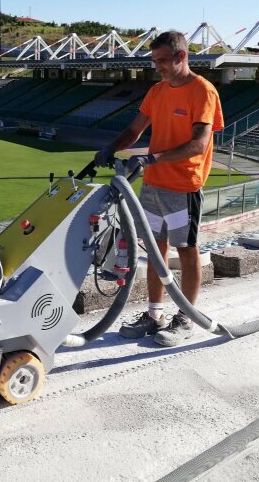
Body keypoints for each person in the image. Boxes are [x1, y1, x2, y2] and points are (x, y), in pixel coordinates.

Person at [94, 30, 224, 347]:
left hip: (183, 186)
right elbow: (134, 130)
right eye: (154, 61)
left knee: (186, 251)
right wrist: (110, 148)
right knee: (155, 250)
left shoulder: (203, 91)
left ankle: (187, 318)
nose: (158, 67)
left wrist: (152, 158)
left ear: (182, 56)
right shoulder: (157, 91)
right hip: (153, 186)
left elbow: (199, 144)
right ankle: (155, 315)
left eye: (163, 60)